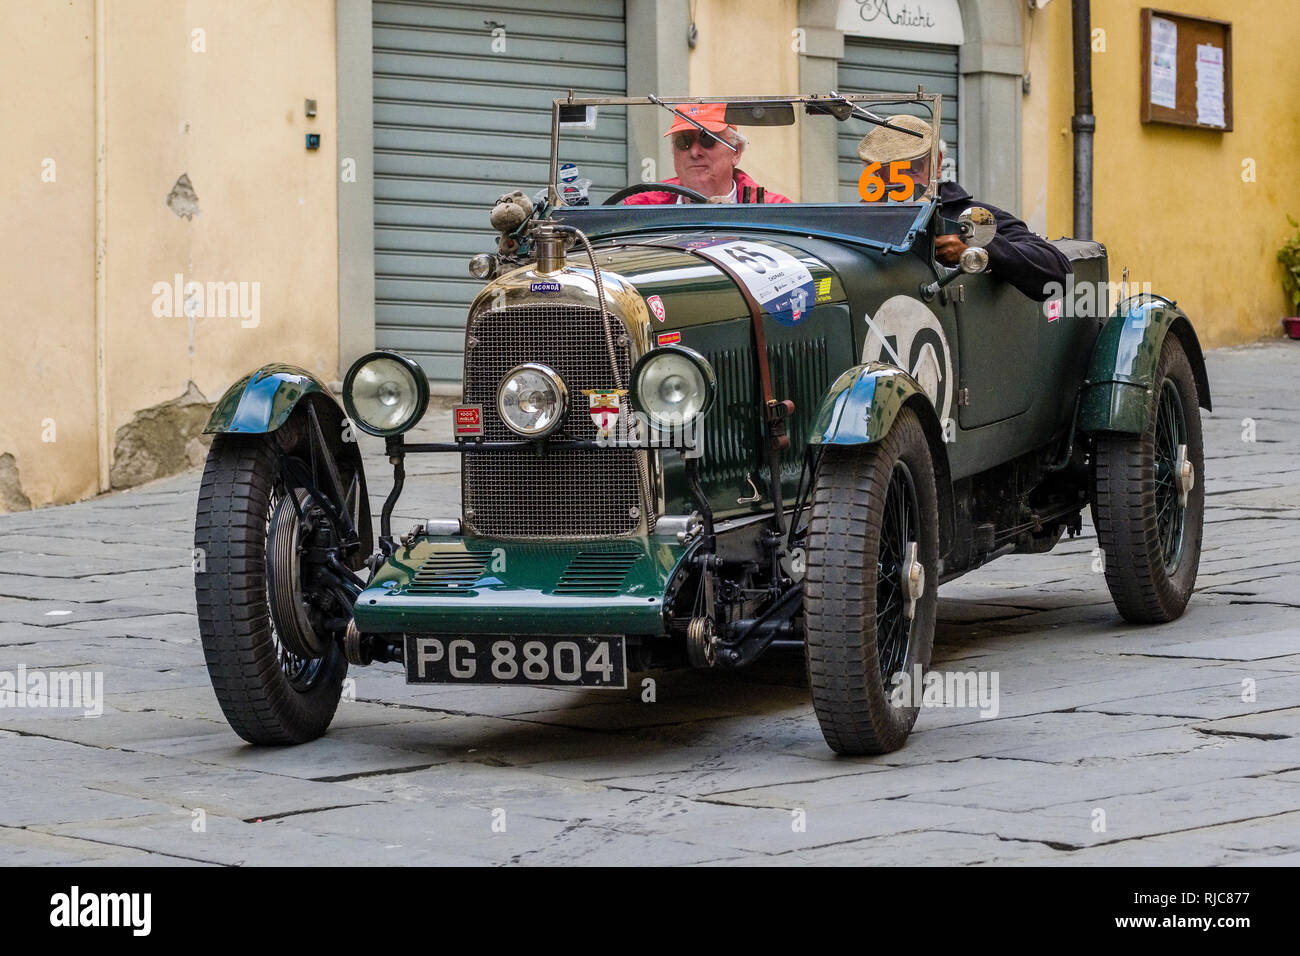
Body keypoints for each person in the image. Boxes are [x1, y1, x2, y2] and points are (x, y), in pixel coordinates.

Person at [857, 115, 1070, 302]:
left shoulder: (968, 217)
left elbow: (1060, 276)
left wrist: (978, 247)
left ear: (937, 163)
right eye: (888, 170)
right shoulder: (858, 218)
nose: (901, 181)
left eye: (911, 168)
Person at [623, 102, 791, 205]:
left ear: (736, 152)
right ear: (673, 152)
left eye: (707, 140)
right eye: (684, 142)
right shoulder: (641, 208)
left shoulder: (774, 210)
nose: (695, 152)